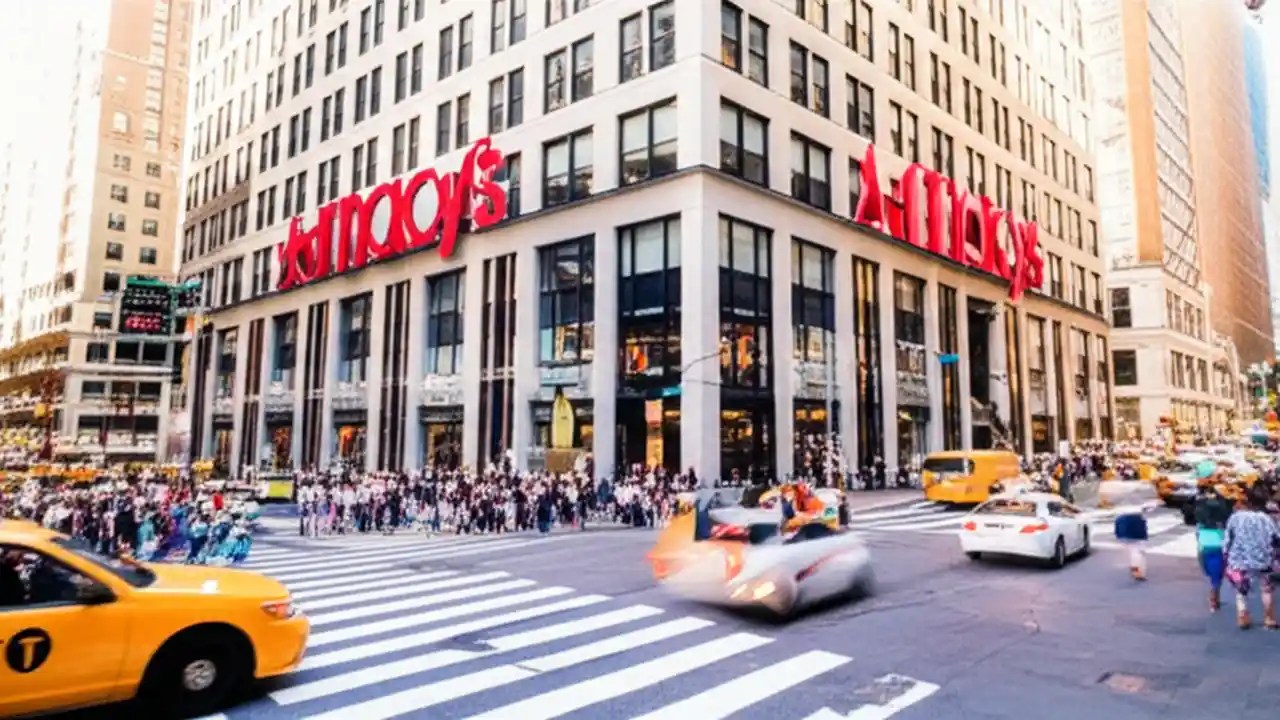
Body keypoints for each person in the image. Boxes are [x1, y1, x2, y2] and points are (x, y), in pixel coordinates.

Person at [1223, 486, 1280, 629]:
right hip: (1263, 558)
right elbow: (1276, 539)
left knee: (1241, 590)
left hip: (1239, 557)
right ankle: (1269, 618)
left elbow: (1228, 538)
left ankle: (1243, 616)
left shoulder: (1236, 517)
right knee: (1266, 589)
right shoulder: (1267, 520)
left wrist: (1226, 554)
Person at [1193, 482, 1232, 612]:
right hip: (1218, 549)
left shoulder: (1201, 523)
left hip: (1204, 549)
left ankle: (1215, 599)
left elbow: (1197, 537)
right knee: (1217, 578)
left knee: (1212, 576)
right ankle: (1214, 599)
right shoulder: (1222, 522)